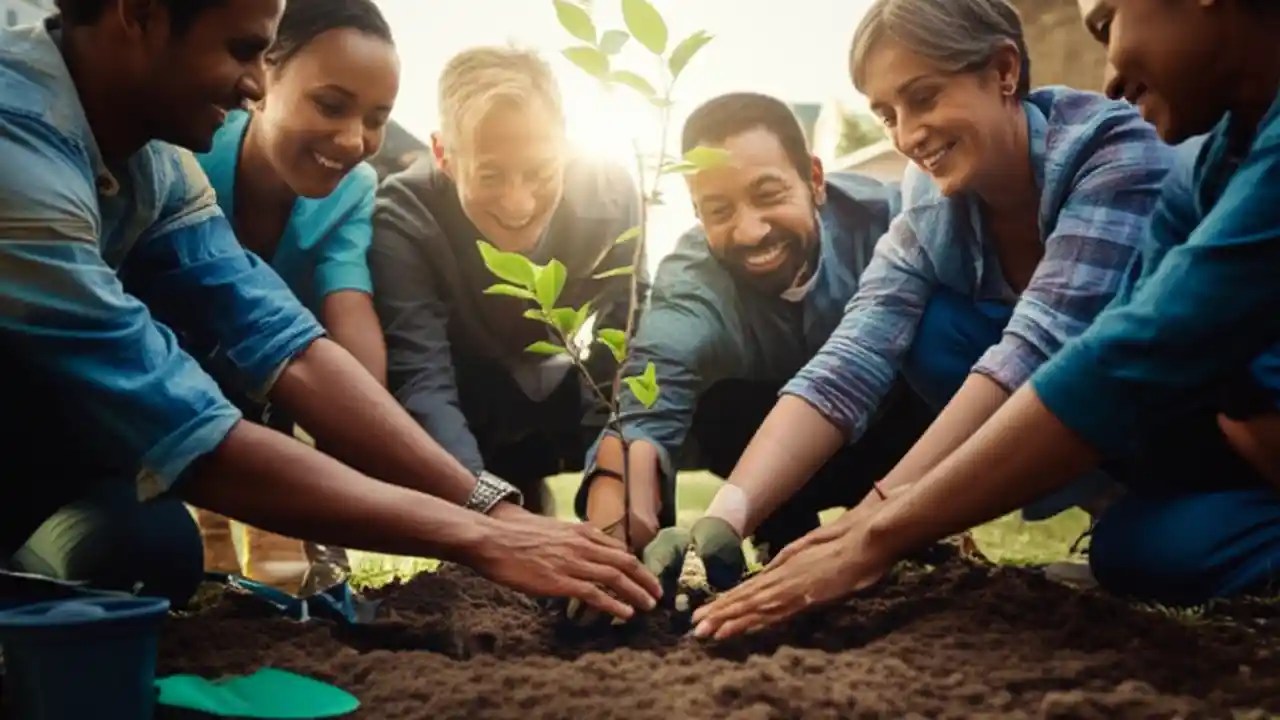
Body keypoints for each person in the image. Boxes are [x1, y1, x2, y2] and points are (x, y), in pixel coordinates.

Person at [0, 0, 660, 621]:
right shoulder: (18, 155)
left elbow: (281, 337)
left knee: (149, 550)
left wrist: (495, 511)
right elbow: (185, 425)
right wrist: (477, 537)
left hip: (62, 445)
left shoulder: (160, 162)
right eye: (242, 51)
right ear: (138, 13)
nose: (254, 87)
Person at [690, 0, 1280, 640]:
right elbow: (851, 357)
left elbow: (1082, 355)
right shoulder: (1221, 160)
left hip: (1190, 428)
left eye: (1107, 24)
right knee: (1131, 552)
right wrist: (728, 514)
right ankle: (1133, 502)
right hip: (1170, 431)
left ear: (1003, 71)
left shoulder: (1120, 154)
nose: (907, 135)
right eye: (887, 115)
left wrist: (874, 530)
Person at [577, 92, 931, 567]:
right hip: (761, 461)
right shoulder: (690, 282)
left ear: (815, 179)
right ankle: (781, 524)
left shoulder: (895, 221)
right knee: (714, 398)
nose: (750, 231)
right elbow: (649, 398)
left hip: (892, 440)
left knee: (934, 337)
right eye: (719, 211)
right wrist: (612, 528)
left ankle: (913, 523)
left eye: (769, 196)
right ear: (697, 214)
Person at [370, 46, 642, 515]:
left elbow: (619, 350)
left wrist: (611, 487)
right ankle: (510, 495)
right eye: (491, 175)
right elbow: (421, 378)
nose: (519, 204)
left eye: (539, 172)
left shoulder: (610, 194)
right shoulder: (404, 217)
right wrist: (492, 518)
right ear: (443, 155)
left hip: (560, 388)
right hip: (469, 395)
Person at [188, 0, 397, 590]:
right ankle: (210, 535)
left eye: (377, 117)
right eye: (330, 105)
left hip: (269, 374)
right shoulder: (193, 153)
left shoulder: (350, 188)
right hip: (176, 364)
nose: (354, 139)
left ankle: (288, 541)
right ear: (264, 76)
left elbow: (347, 299)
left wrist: (368, 433)